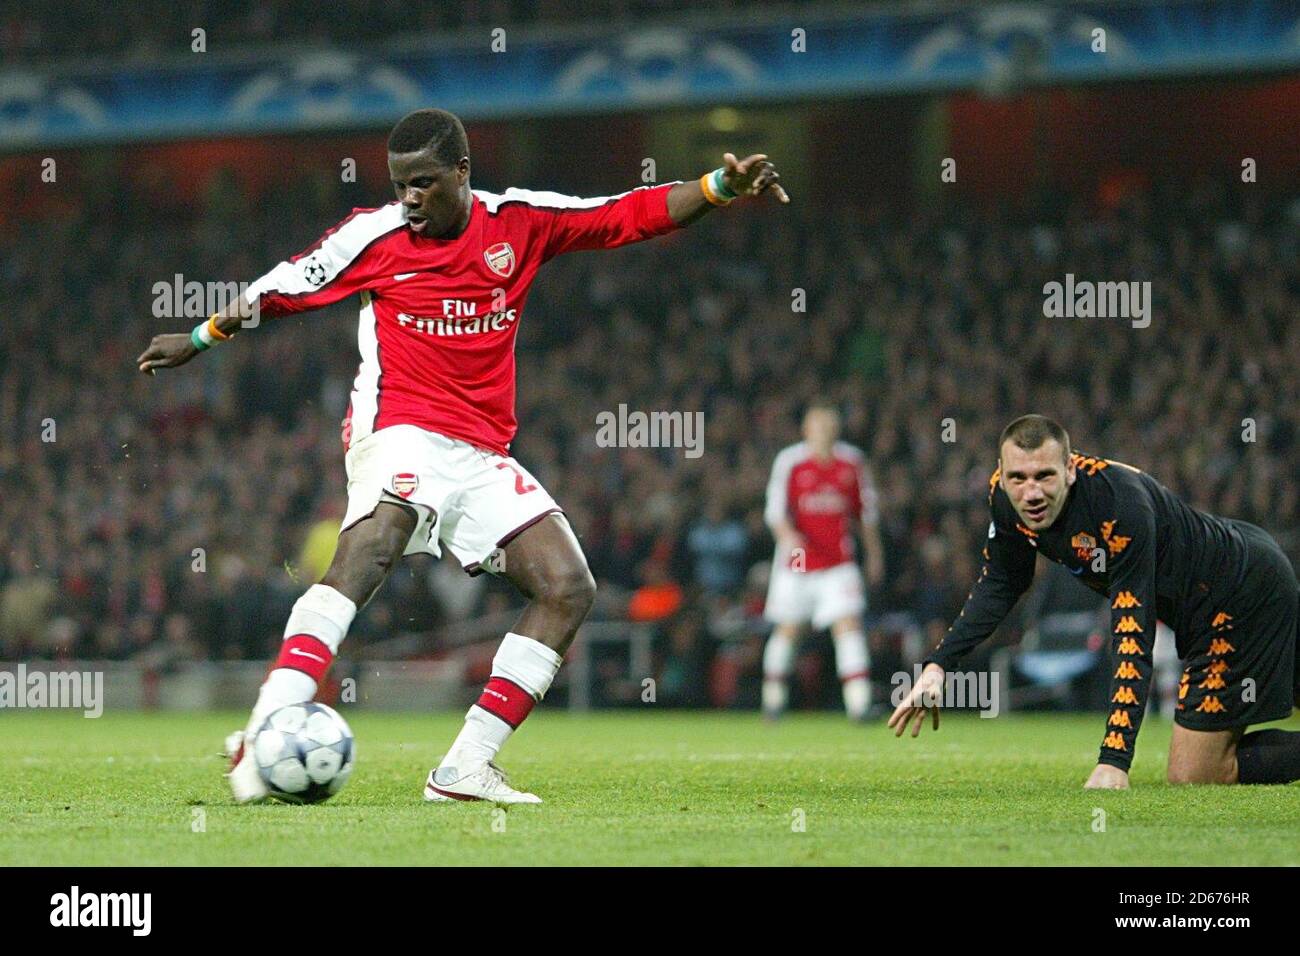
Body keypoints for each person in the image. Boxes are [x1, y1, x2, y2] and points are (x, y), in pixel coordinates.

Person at [137, 108, 788, 804]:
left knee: (568, 587)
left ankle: (463, 768)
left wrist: (719, 184)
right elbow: (288, 286)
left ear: (462, 173)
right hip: (400, 429)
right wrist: (201, 337)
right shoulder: (374, 236)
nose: (410, 199)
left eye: (424, 182)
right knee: (372, 548)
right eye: (400, 185)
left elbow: (625, 215)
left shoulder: (520, 223)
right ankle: (264, 728)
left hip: (480, 450)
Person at [889, 414, 1300, 789]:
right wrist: (939, 666)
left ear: (1070, 470)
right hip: (1235, 575)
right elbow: (1001, 582)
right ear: (1001, 473)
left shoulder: (1118, 507)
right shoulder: (1004, 497)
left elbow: (1132, 636)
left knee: (1196, 775)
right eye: (1018, 478)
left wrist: (1114, 760)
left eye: (1044, 476)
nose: (1030, 492)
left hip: (1237, 599)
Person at [761, 403, 884, 720]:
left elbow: (865, 513)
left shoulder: (852, 462)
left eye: (829, 426)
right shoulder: (790, 462)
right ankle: (773, 700)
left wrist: (874, 554)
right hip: (799, 559)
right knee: (789, 627)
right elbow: (775, 512)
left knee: (848, 625)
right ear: (806, 430)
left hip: (839, 561)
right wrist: (789, 539)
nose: (824, 433)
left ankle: (859, 705)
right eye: (818, 427)